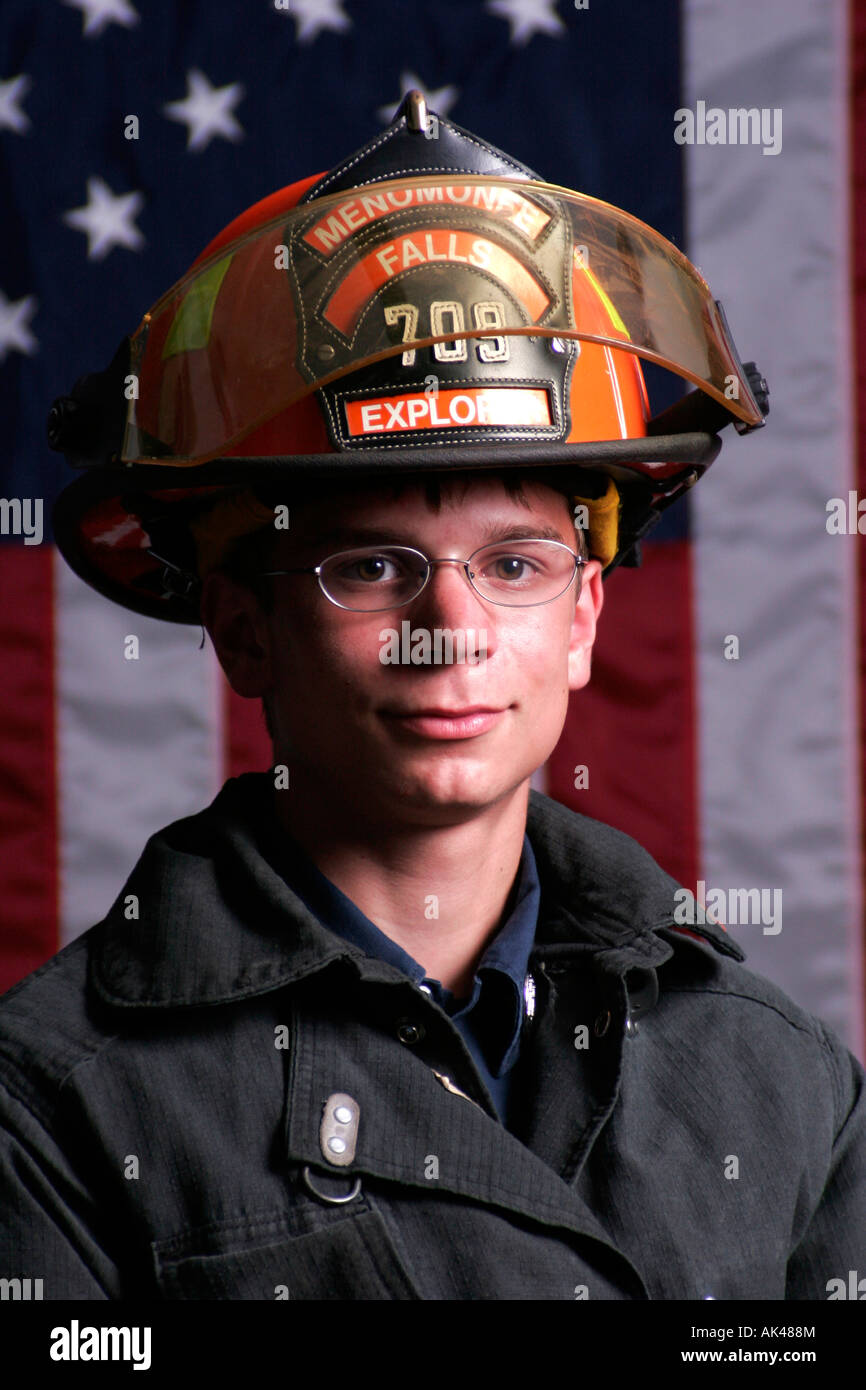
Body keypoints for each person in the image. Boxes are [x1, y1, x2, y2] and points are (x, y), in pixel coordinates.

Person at [1, 94, 862, 1302]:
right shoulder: (53, 1102)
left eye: (514, 564)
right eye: (368, 567)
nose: (448, 634)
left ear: (582, 620)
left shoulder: (771, 1071)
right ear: (244, 628)